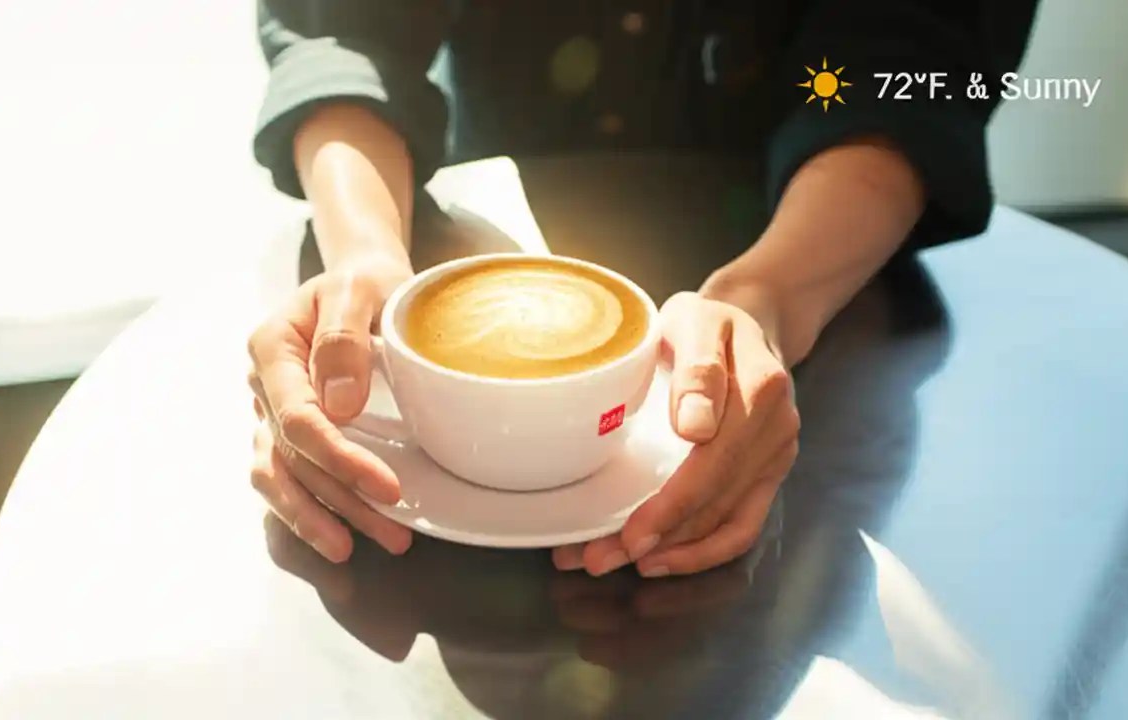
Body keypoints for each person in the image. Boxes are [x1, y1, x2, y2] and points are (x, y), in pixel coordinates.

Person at [246, 1, 1038, 577]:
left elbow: (904, 64)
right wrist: (364, 252)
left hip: (834, 293)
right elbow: (344, 30)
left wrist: (768, 296)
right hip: (482, 234)